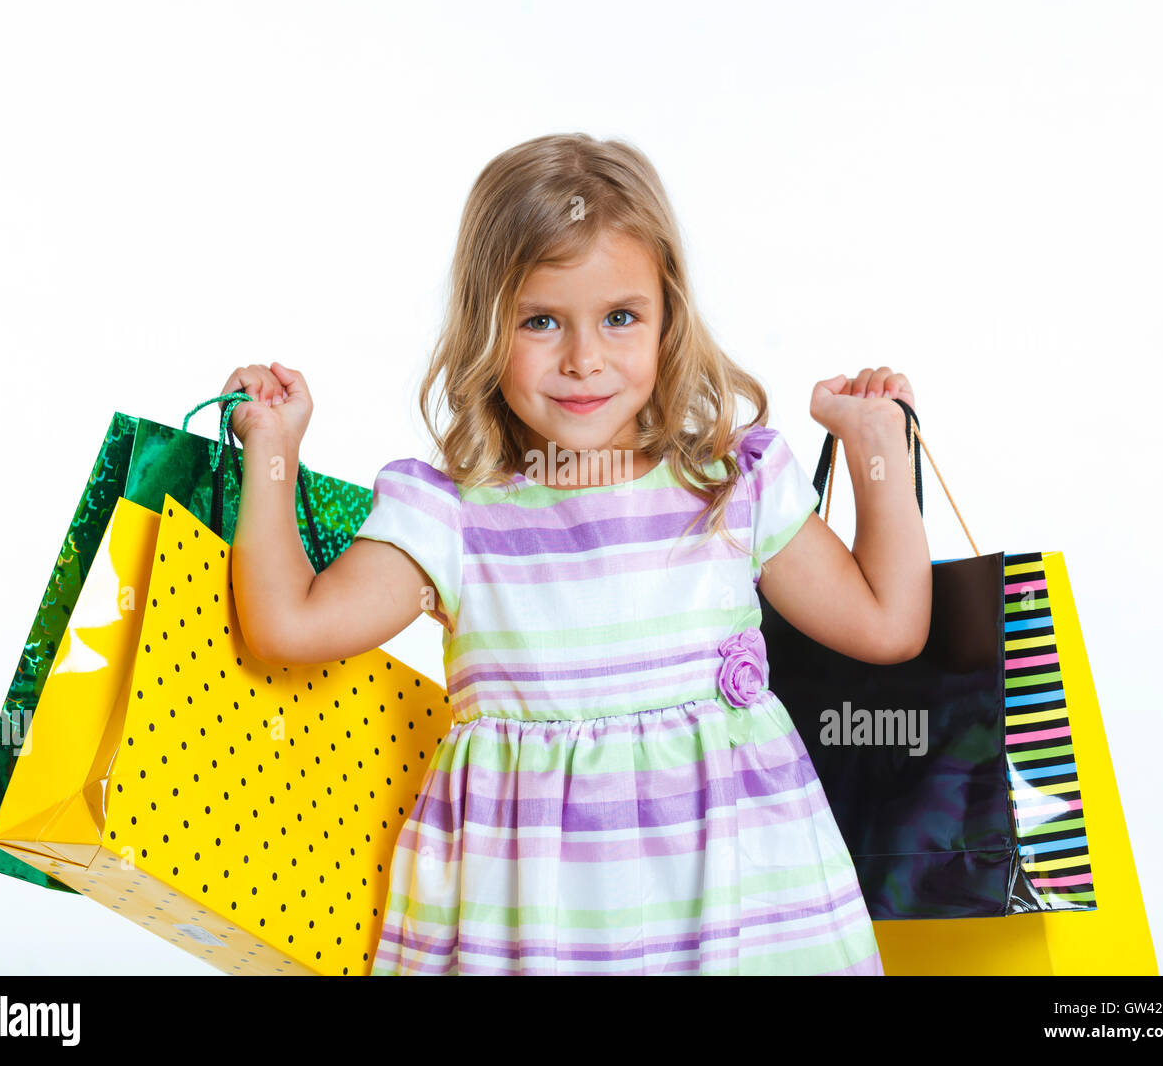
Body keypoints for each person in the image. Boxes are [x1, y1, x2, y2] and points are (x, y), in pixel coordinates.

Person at [221, 133, 931, 975]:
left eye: (620, 317)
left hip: (738, 913)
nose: (584, 358)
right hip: (535, 932)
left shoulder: (724, 489)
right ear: (486, 326)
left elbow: (889, 625)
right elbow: (286, 628)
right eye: (541, 320)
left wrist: (873, 447)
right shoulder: (452, 517)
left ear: (669, 317)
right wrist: (273, 452)